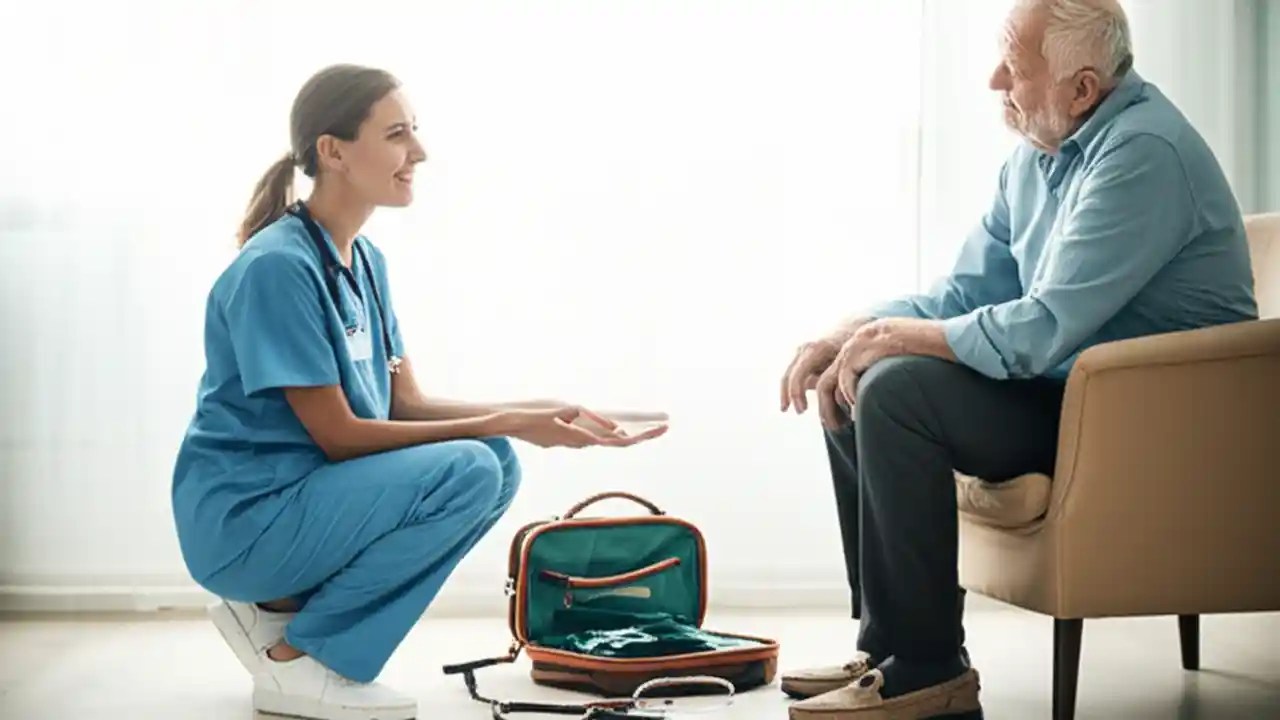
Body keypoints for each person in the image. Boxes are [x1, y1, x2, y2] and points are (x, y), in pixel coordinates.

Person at [776, 0, 1258, 718]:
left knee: (898, 389)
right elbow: (964, 294)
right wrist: (855, 331)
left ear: (1083, 88)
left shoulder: (1144, 155)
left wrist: (895, 340)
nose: (994, 80)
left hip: (1146, 430)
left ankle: (929, 673)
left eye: (1014, 65)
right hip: (1072, 397)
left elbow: (1042, 325)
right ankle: (889, 650)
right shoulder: (1037, 157)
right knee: (857, 373)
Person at [170, 64, 667, 720]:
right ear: (333, 151)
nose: (420, 152)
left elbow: (406, 404)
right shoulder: (278, 269)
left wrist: (541, 411)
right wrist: (508, 420)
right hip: (245, 522)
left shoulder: (364, 262)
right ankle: (303, 659)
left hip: (302, 502)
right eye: (397, 134)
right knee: (470, 466)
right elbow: (340, 435)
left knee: (495, 460)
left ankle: (283, 612)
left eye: (414, 131)